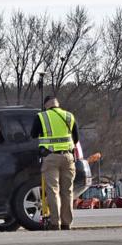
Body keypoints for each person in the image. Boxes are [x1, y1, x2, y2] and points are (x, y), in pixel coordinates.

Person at [34, 96, 80, 231]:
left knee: (53, 190)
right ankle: (67, 223)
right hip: (68, 157)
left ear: (46, 105)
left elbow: (33, 134)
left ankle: (55, 223)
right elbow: (76, 138)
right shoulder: (69, 116)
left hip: (51, 157)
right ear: (57, 104)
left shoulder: (42, 117)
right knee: (68, 191)